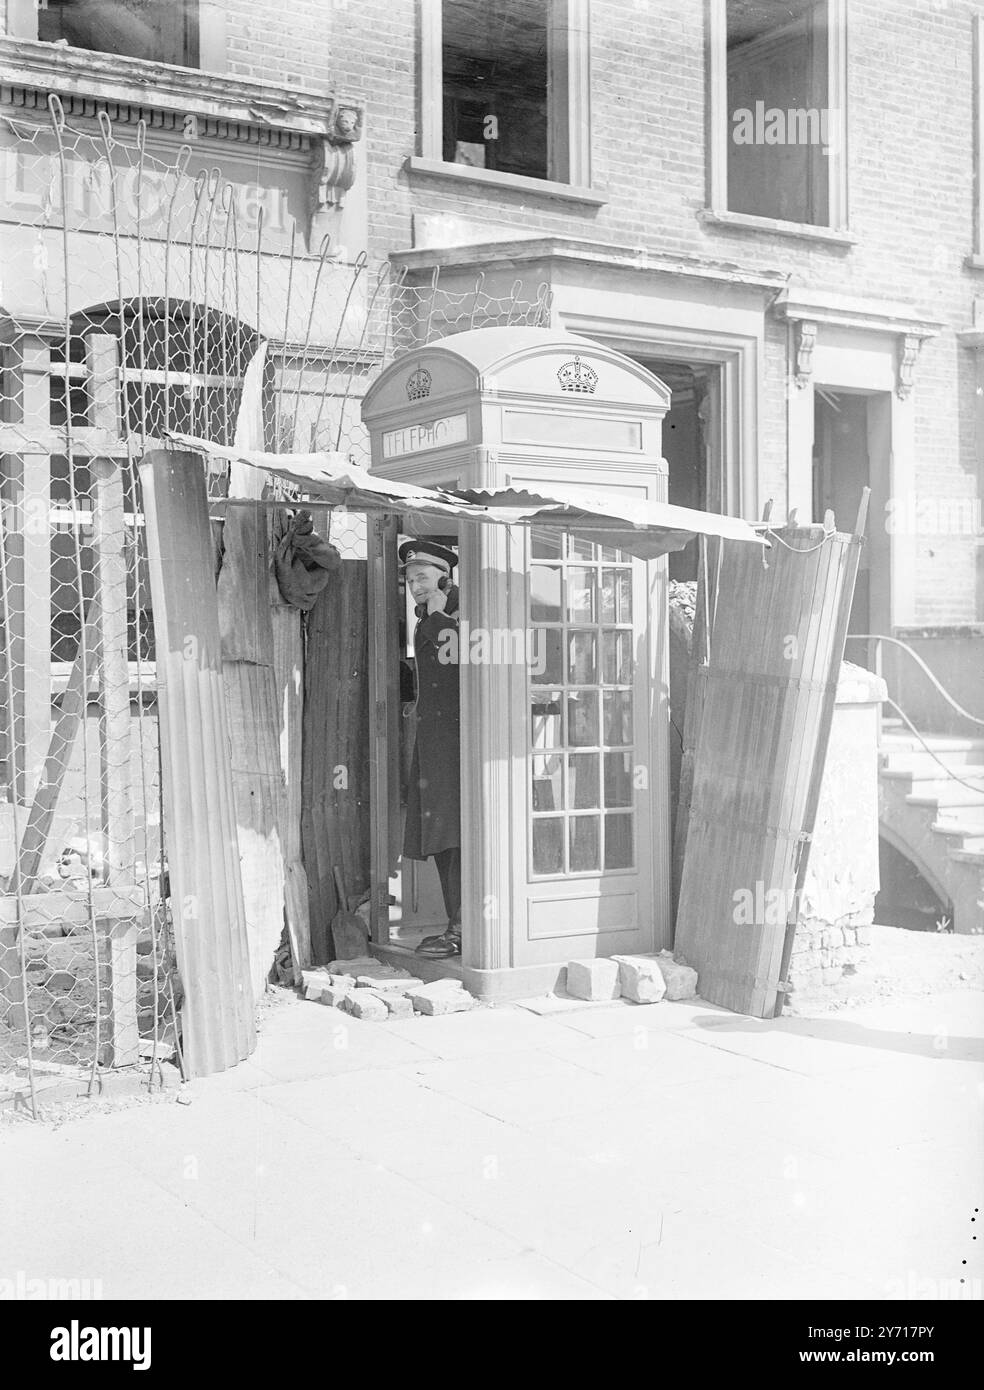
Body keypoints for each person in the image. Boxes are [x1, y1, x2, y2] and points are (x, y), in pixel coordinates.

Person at [399, 540, 461, 957]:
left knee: (455, 833)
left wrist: (438, 614)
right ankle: (458, 923)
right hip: (436, 741)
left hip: (459, 743)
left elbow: (455, 659)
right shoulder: (428, 617)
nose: (415, 587)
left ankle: (462, 928)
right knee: (441, 833)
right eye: (409, 580)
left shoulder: (454, 616)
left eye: (422, 577)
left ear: (444, 575)